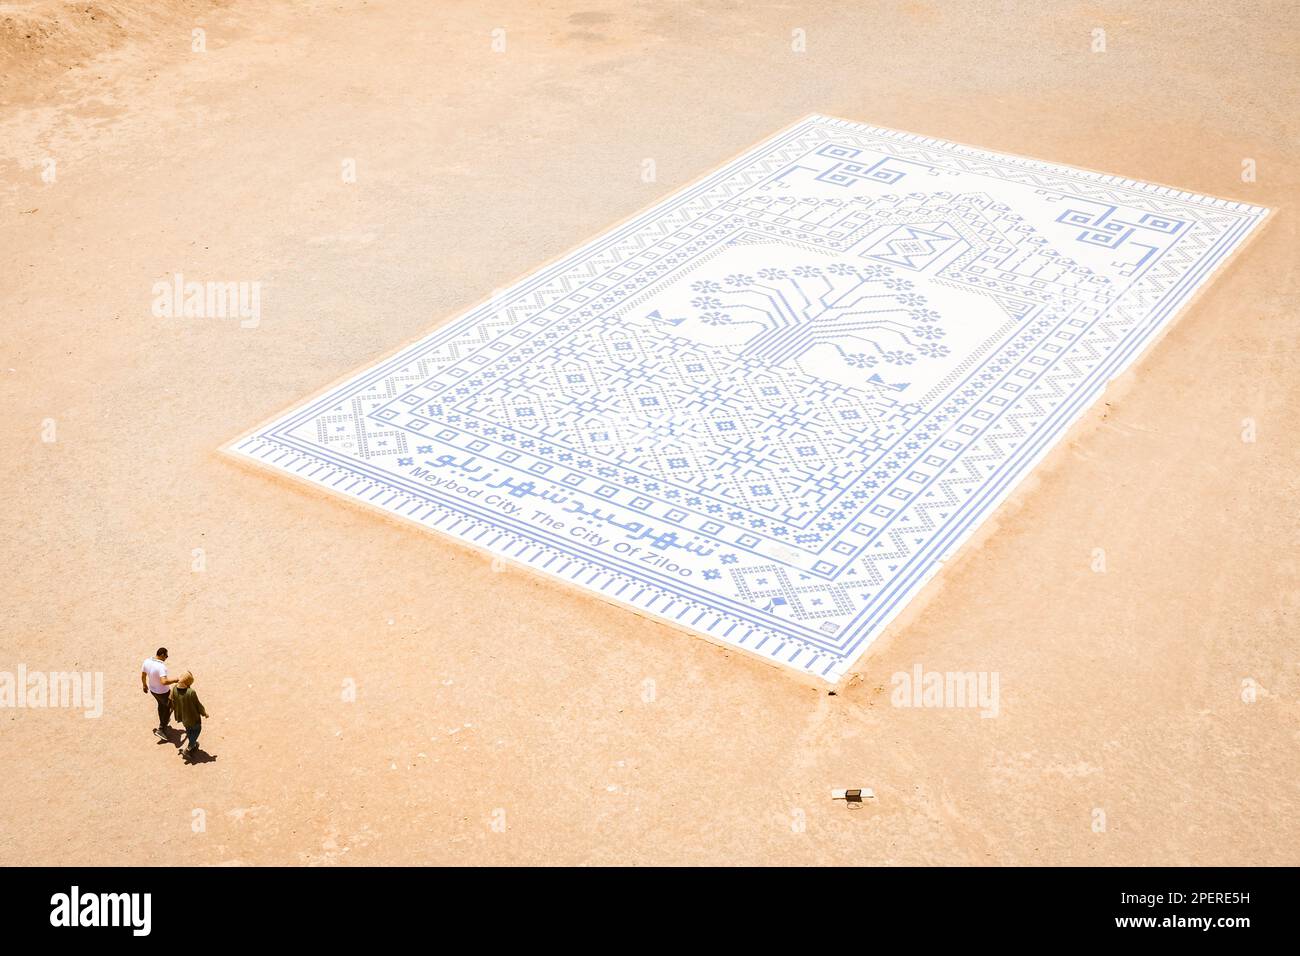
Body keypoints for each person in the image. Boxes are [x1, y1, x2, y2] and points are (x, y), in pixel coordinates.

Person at [169, 672, 209, 758]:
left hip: (183, 717)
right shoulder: (191, 692)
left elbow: (171, 700)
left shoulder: (174, 688)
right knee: (197, 730)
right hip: (193, 717)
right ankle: (189, 748)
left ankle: (193, 744)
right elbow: (198, 705)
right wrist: (204, 713)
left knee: (189, 730)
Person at [141, 648, 179, 738]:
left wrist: (144, 685)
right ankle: (161, 729)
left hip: (153, 690)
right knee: (169, 708)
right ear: (162, 655)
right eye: (166, 655)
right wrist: (175, 680)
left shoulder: (147, 661)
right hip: (163, 692)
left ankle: (163, 721)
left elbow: (143, 675)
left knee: (161, 705)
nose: (166, 657)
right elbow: (164, 682)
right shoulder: (161, 667)